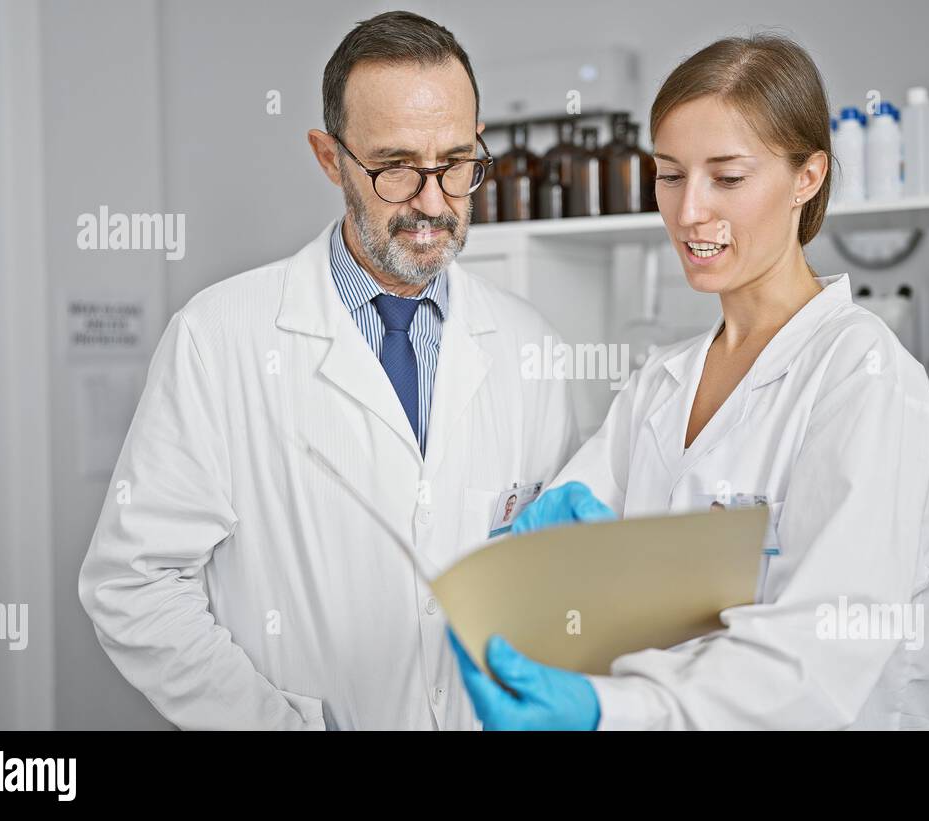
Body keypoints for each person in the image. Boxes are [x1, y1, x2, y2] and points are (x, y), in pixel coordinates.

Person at [452, 34, 929, 730]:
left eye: (727, 177)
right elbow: (571, 573)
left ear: (807, 177)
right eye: (669, 174)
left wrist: (610, 707)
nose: (689, 210)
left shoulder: (864, 378)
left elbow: (819, 656)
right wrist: (527, 557)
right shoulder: (661, 383)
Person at [78, 11, 578, 730]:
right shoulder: (219, 338)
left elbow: (544, 577)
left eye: (458, 162)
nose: (434, 202)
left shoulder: (530, 346)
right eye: (397, 166)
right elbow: (134, 583)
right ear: (330, 156)